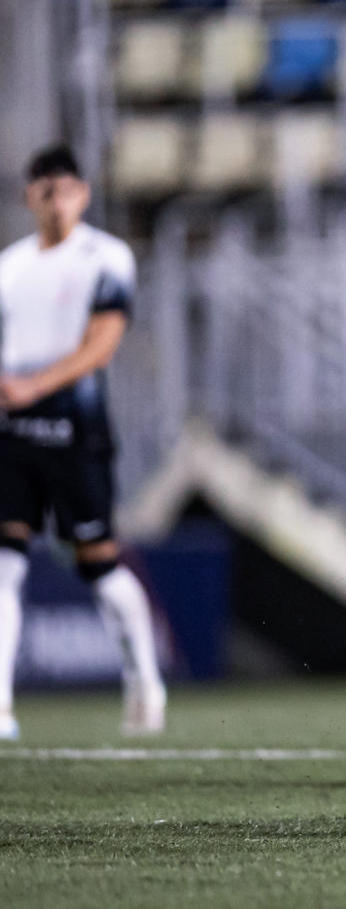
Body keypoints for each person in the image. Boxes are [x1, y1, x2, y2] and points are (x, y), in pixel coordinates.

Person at [0, 144, 167, 740]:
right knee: (5, 566)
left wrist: (34, 385)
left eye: (65, 186)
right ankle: (1, 709)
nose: (54, 197)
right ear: (28, 195)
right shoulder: (10, 265)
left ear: (84, 193)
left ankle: (145, 678)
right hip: (12, 437)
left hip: (75, 432)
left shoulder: (106, 256)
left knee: (98, 565)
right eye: (43, 186)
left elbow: (103, 342)